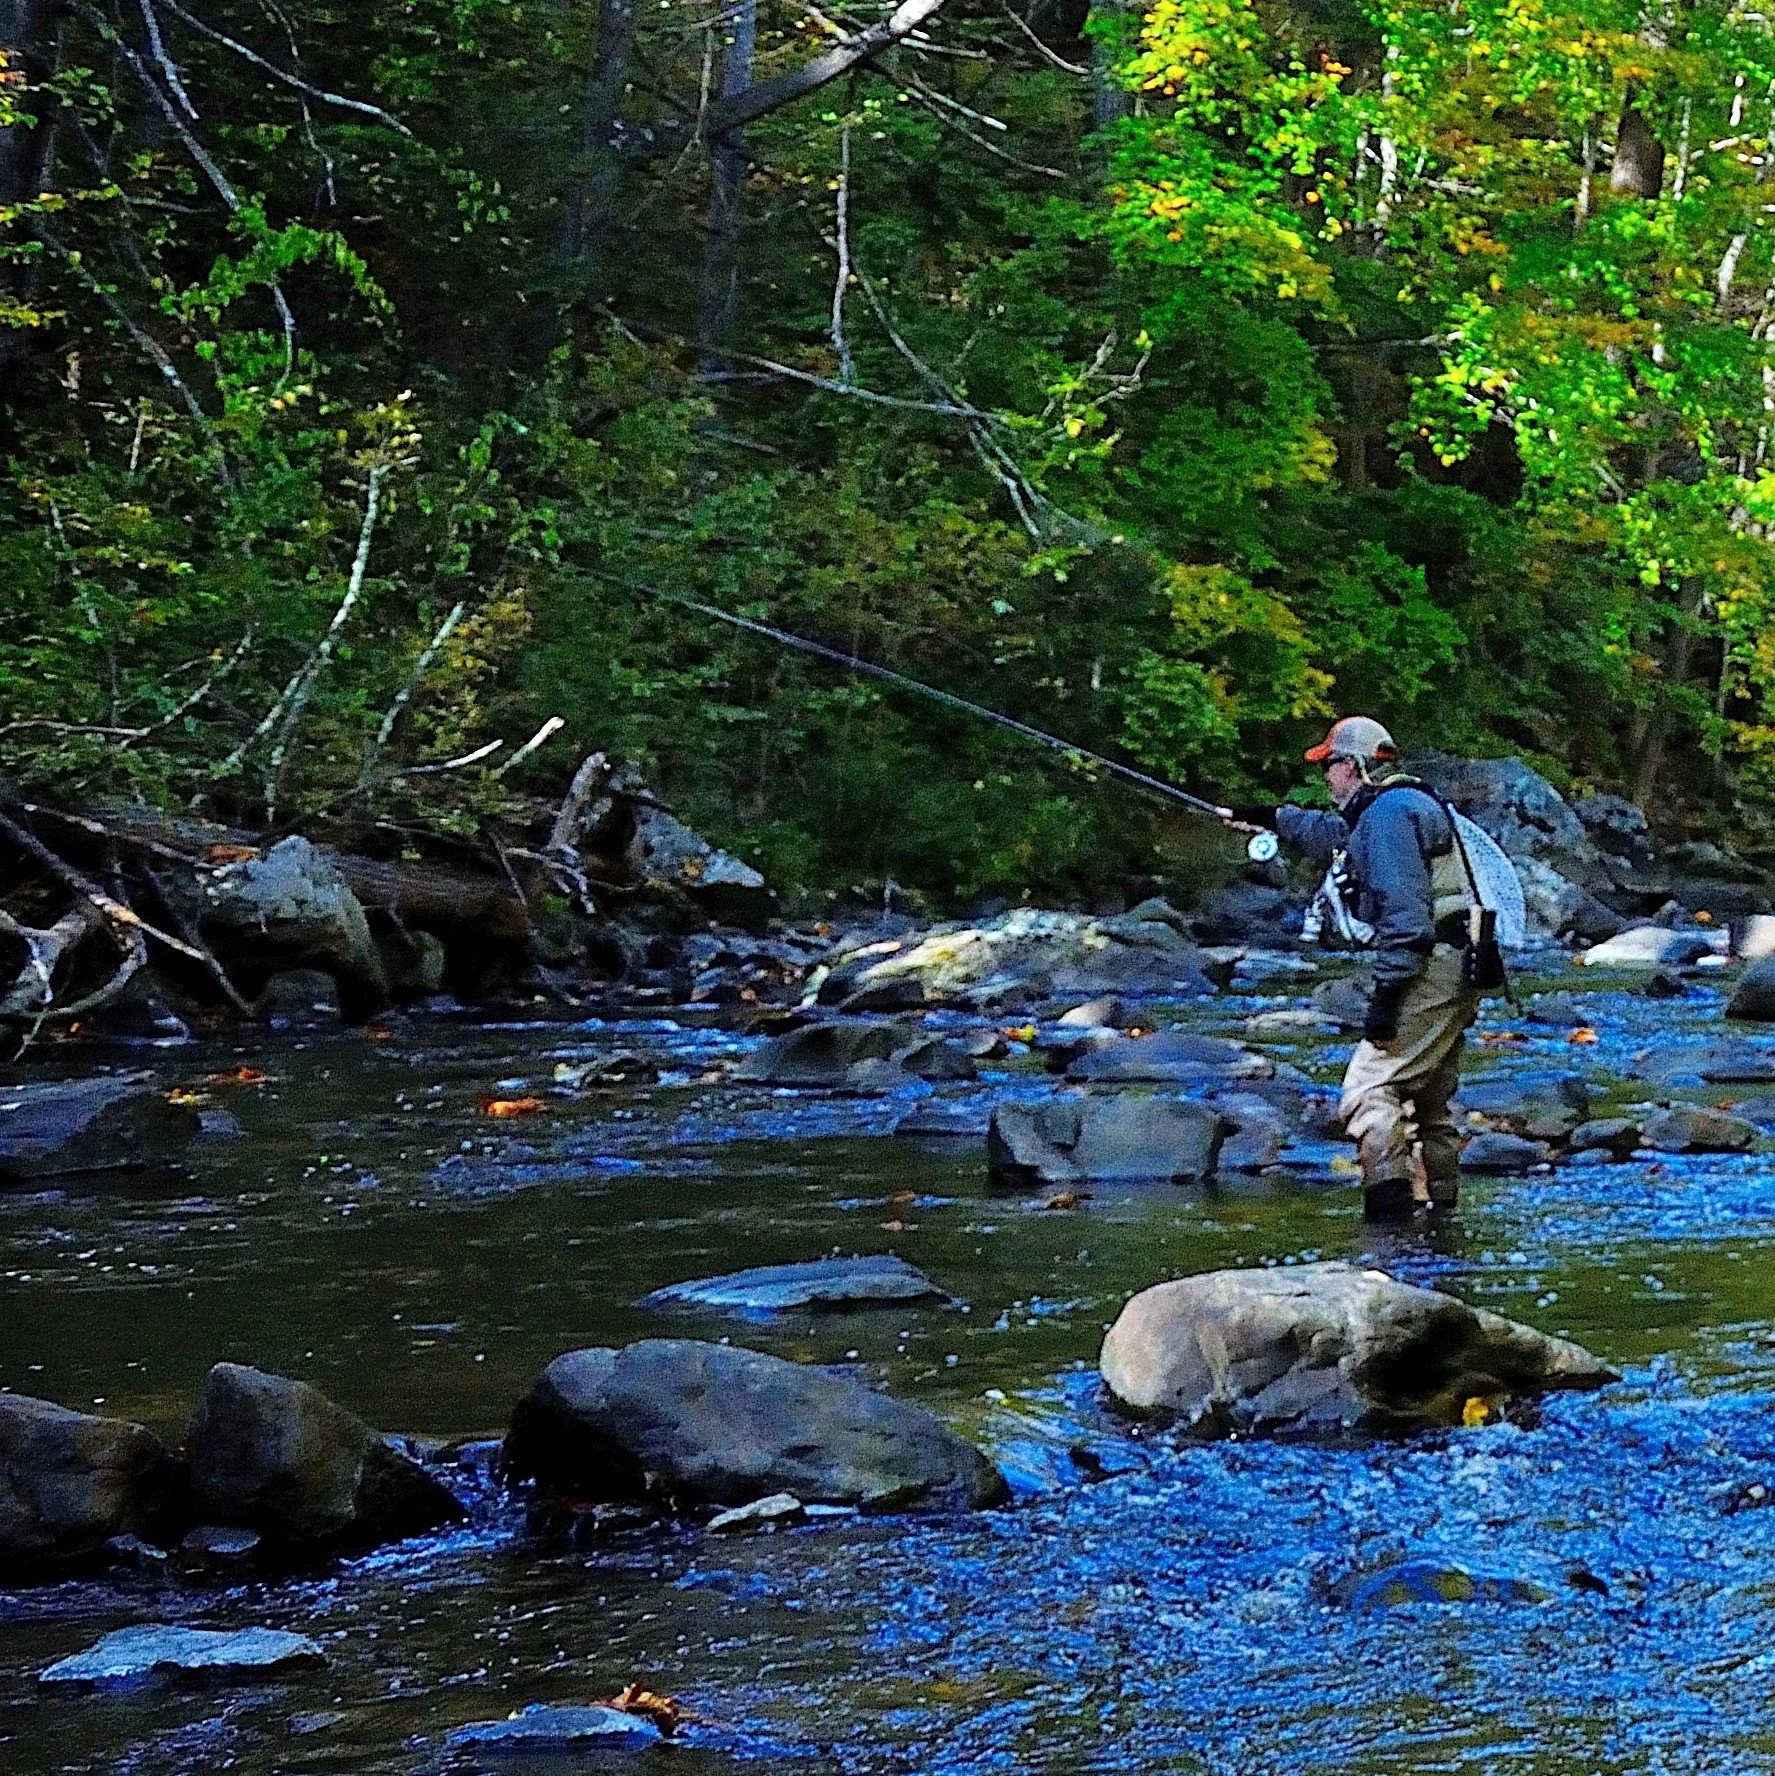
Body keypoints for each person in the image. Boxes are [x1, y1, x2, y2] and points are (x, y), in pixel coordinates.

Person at [1222, 716, 1480, 1221]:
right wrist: (1272, 818)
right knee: (1429, 1102)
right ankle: (1439, 1221)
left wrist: (1386, 998)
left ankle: (1388, 1223)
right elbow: (1333, 834)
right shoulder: (1400, 805)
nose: (1325, 776)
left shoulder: (1387, 817)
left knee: (1369, 1094)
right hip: (1461, 965)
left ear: (1355, 767)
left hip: (1429, 969)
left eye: (1331, 765)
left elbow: (1406, 921)